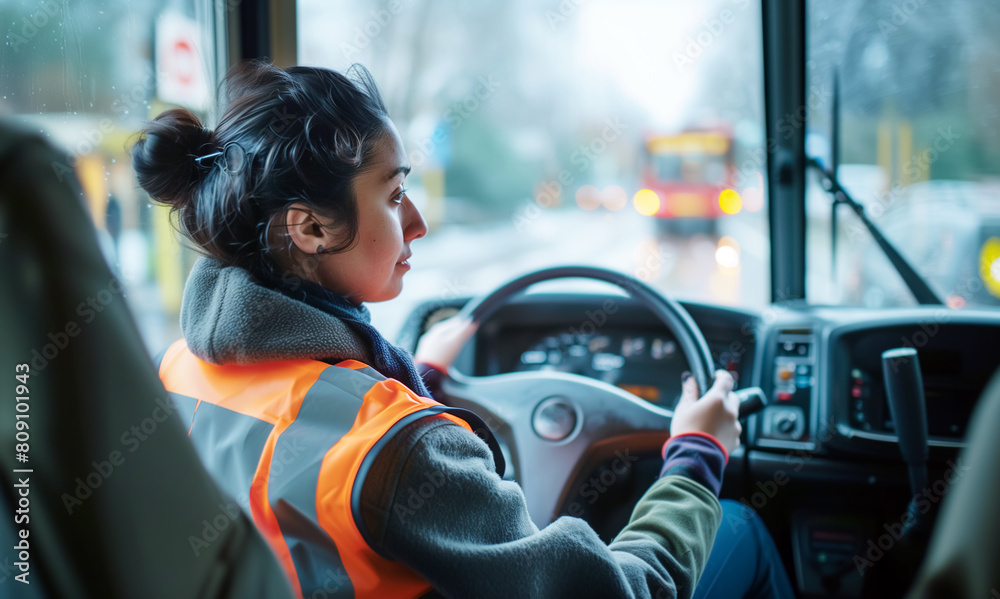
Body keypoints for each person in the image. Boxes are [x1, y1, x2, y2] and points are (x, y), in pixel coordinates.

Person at [132, 61, 794, 599]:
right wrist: (697, 453)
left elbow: (310, 457)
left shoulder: (176, 372)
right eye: (393, 196)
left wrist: (421, 381)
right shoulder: (402, 450)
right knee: (740, 526)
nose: (417, 222)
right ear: (309, 228)